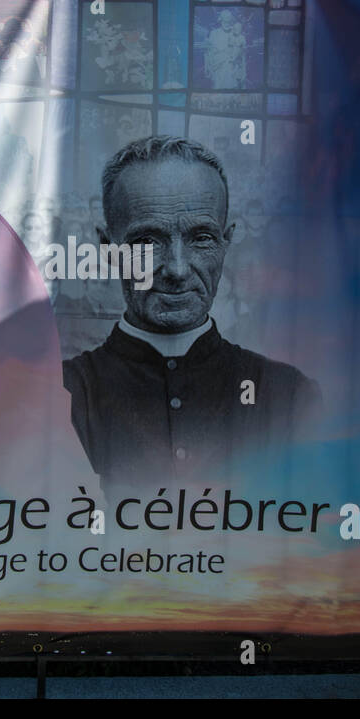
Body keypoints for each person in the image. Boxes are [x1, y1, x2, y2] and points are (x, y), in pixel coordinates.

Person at [62, 135, 318, 491]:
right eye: (148, 241)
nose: (178, 269)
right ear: (108, 248)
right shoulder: (59, 396)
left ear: (226, 242)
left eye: (201, 238)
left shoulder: (292, 398)